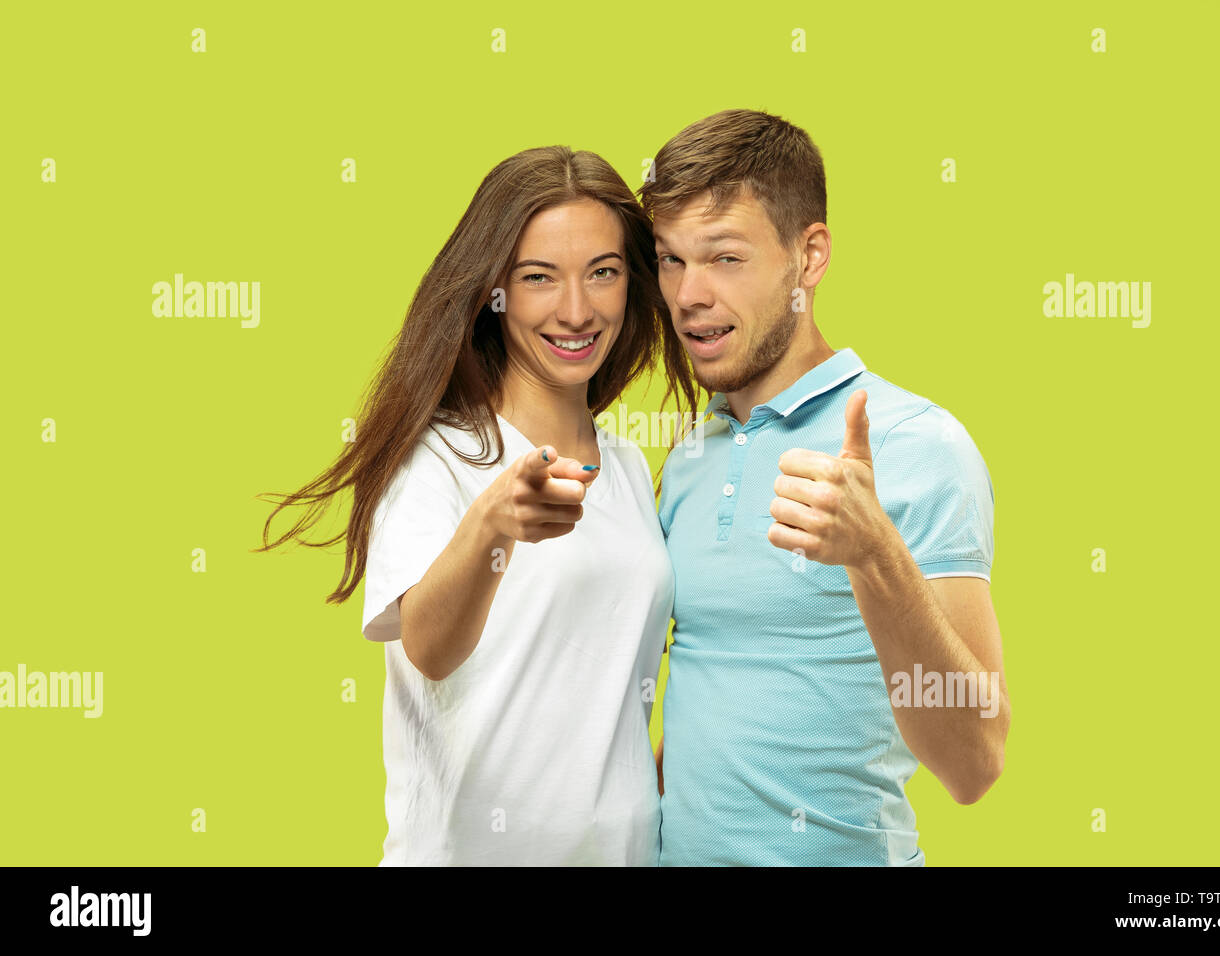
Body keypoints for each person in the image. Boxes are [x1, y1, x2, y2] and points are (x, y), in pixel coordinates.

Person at [255, 145, 697, 865]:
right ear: (494, 291)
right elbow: (429, 648)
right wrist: (494, 523)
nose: (577, 310)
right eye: (538, 278)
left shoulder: (624, 466)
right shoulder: (439, 458)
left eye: (603, 273)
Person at [641, 109, 1011, 866]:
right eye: (670, 260)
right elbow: (705, 702)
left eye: (725, 258)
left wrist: (875, 554)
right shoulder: (688, 457)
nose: (687, 294)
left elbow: (975, 764)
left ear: (809, 258)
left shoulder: (917, 446)